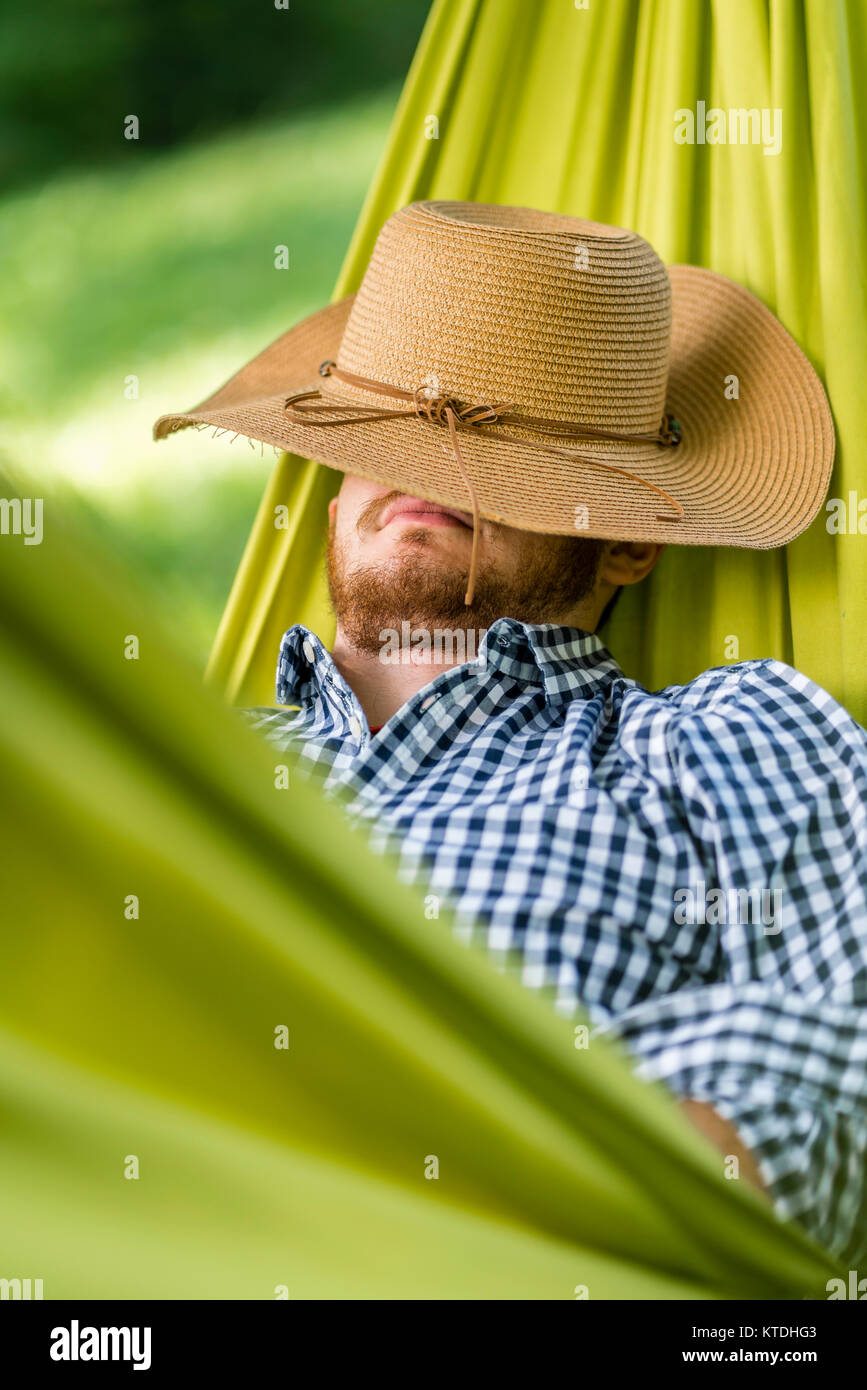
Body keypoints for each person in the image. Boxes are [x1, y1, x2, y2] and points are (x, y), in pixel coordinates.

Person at [156, 201, 867, 1263]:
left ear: (630, 546)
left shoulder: (713, 741)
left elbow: (841, 1059)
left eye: (509, 464)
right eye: (386, 438)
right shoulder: (188, 758)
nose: (432, 471)